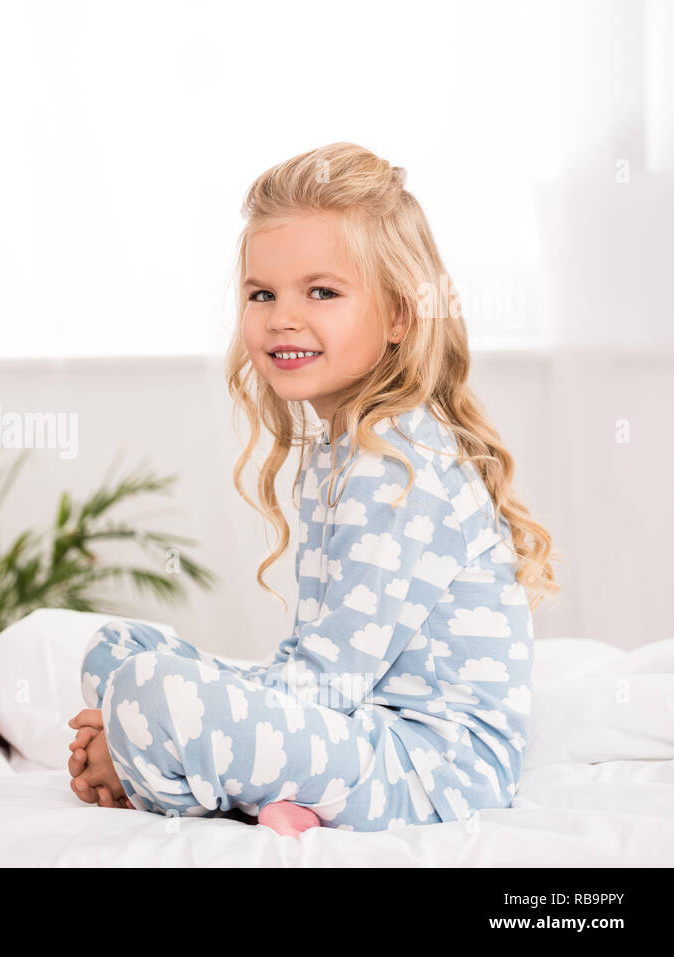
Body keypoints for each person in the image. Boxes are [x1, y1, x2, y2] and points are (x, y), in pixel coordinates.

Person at [67, 142, 559, 832]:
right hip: (353, 721)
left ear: (398, 316)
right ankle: (228, 779)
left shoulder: (397, 464)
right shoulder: (343, 447)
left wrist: (136, 733)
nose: (281, 317)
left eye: (321, 292)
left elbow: (326, 685)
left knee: (150, 694)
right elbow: (313, 663)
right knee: (116, 651)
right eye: (262, 293)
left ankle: (158, 770)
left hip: (427, 771)